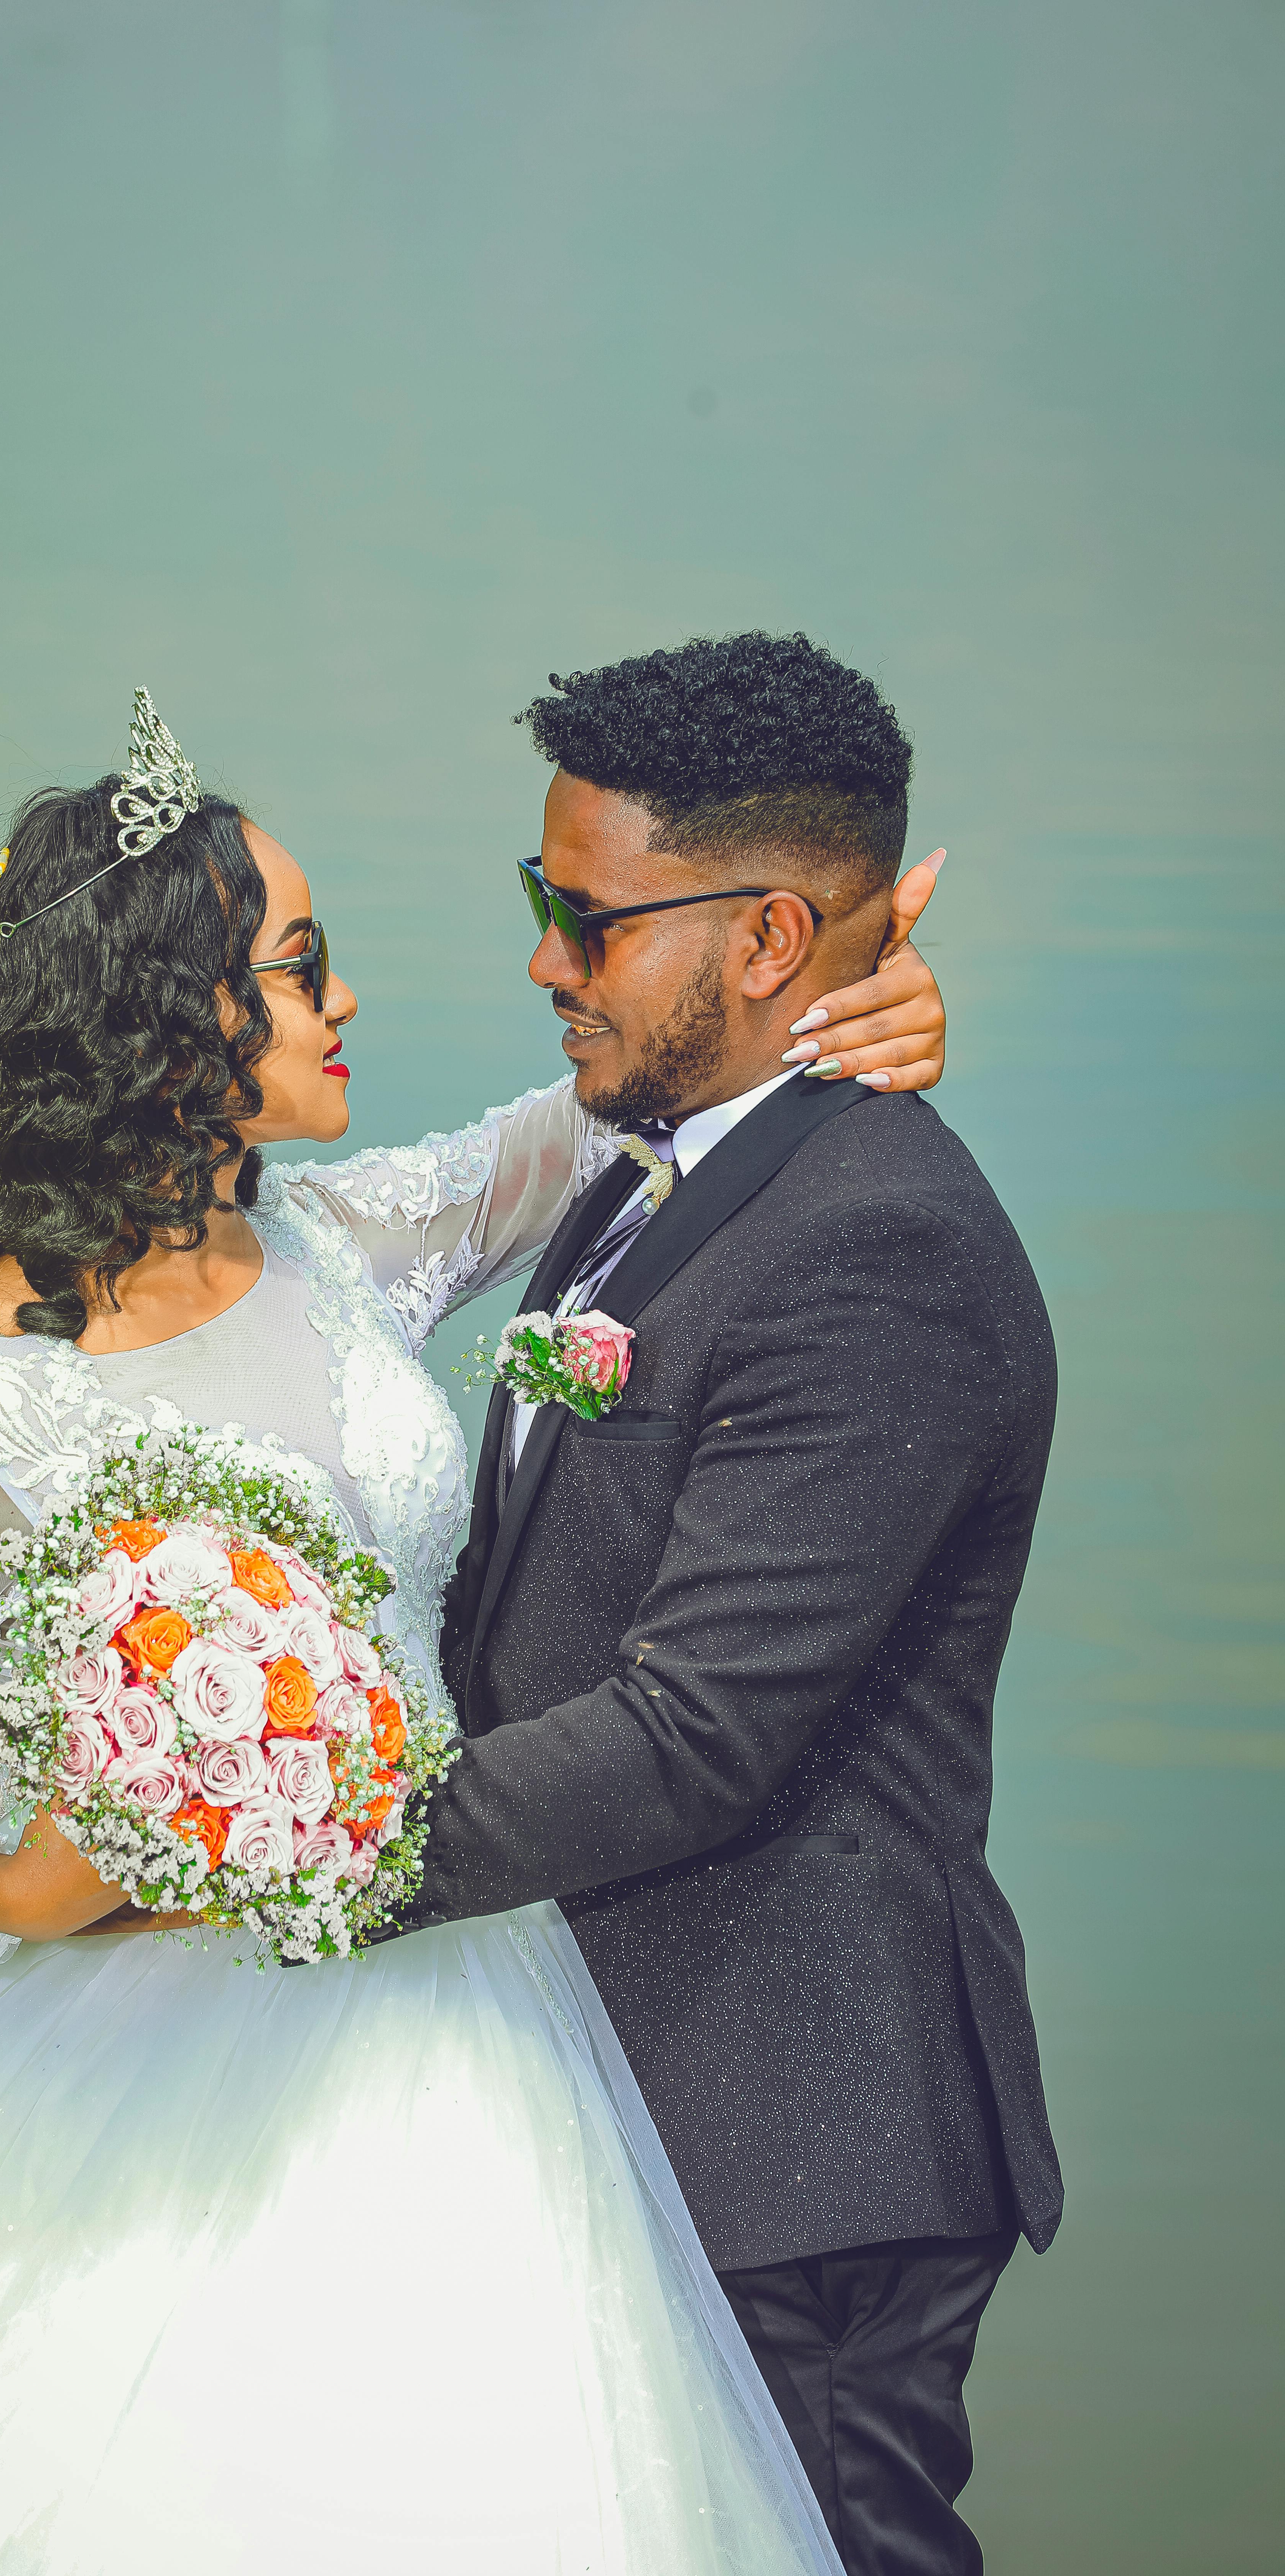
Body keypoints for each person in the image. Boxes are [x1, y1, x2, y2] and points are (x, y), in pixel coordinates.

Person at [0, 680, 946, 2573]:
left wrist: (835, 1010)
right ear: (167, 1023)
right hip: (92, 2063)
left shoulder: (346, 1240)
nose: (349, 1002)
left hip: (447, 2004)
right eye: (303, 971)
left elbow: (630, 1093)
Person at [412, 634, 1064, 2576]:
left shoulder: (879, 1248)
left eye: (582, 916)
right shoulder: (654, 1173)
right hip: (622, 2067)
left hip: (800, 2124)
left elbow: (699, 1731)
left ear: (768, 935)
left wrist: (292, 1862)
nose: (543, 957)